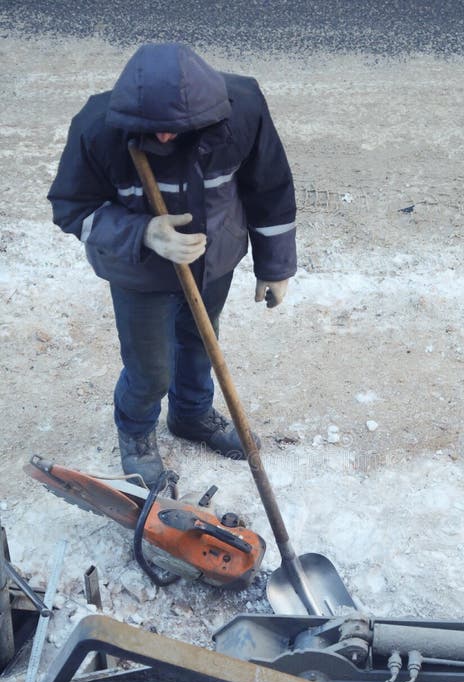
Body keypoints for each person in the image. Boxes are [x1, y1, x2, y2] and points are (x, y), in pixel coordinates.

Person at [48, 42, 296, 486]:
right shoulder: (97, 128)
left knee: (201, 341)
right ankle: (137, 432)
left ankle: (192, 414)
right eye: (153, 129)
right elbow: (72, 208)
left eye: (174, 129)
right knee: (151, 367)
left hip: (214, 259)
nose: (163, 137)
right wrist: (142, 232)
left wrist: (275, 265)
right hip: (138, 273)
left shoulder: (244, 110)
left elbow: (269, 186)